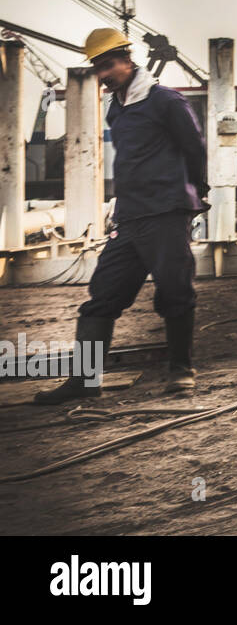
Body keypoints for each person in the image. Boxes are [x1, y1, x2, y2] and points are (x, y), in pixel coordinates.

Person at [36, 29, 208, 403]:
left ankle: (181, 371)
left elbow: (195, 150)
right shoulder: (117, 107)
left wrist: (194, 195)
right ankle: (85, 379)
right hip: (129, 217)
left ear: (128, 60)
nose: (102, 73)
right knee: (103, 296)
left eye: (107, 64)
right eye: (97, 67)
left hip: (165, 212)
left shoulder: (166, 101)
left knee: (174, 290)